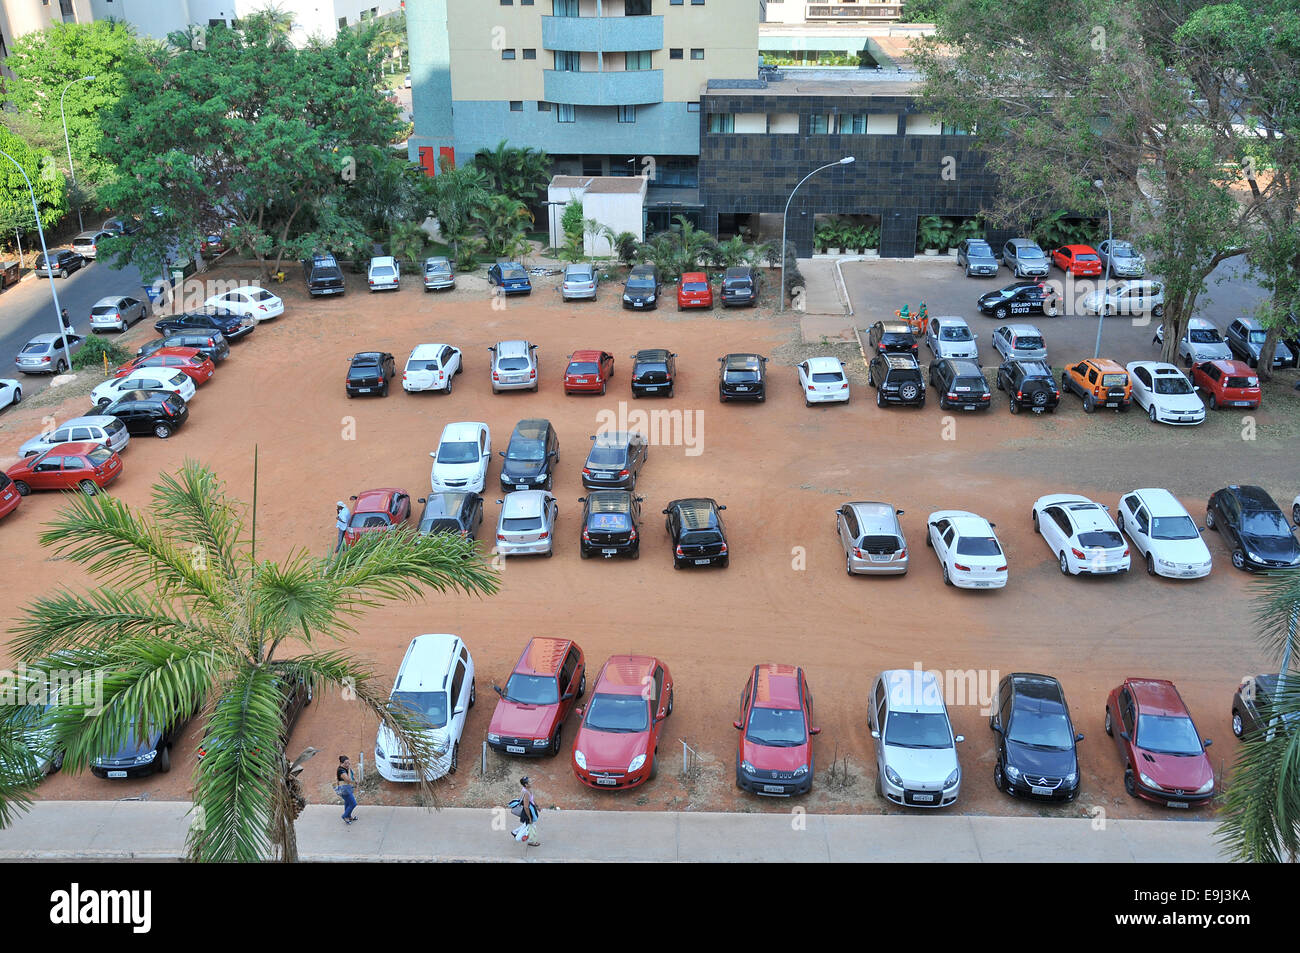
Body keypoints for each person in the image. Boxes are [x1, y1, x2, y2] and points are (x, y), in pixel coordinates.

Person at [516, 776, 540, 847]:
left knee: (528, 826)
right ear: (526, 785)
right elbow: (526, 807)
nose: (531, 782)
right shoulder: (526, 793)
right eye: (529, 782)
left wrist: (537, 806)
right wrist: (529, 817)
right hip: (528, 812)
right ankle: (532, 842)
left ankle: (515, 832)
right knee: (531, 827)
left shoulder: (529, 789)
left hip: (530, 810)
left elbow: (532, 800)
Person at [336, 755, 358, 824]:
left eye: (348, 763)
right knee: (353, 804)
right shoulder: (341, 770)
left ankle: (348, 816)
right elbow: (348, 780)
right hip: (344, 790)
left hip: (346, 788)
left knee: (348, 803)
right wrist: (354, 782)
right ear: (341, 763)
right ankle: (344, 816)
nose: (347, 764)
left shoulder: (344, 768)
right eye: (346, 763)